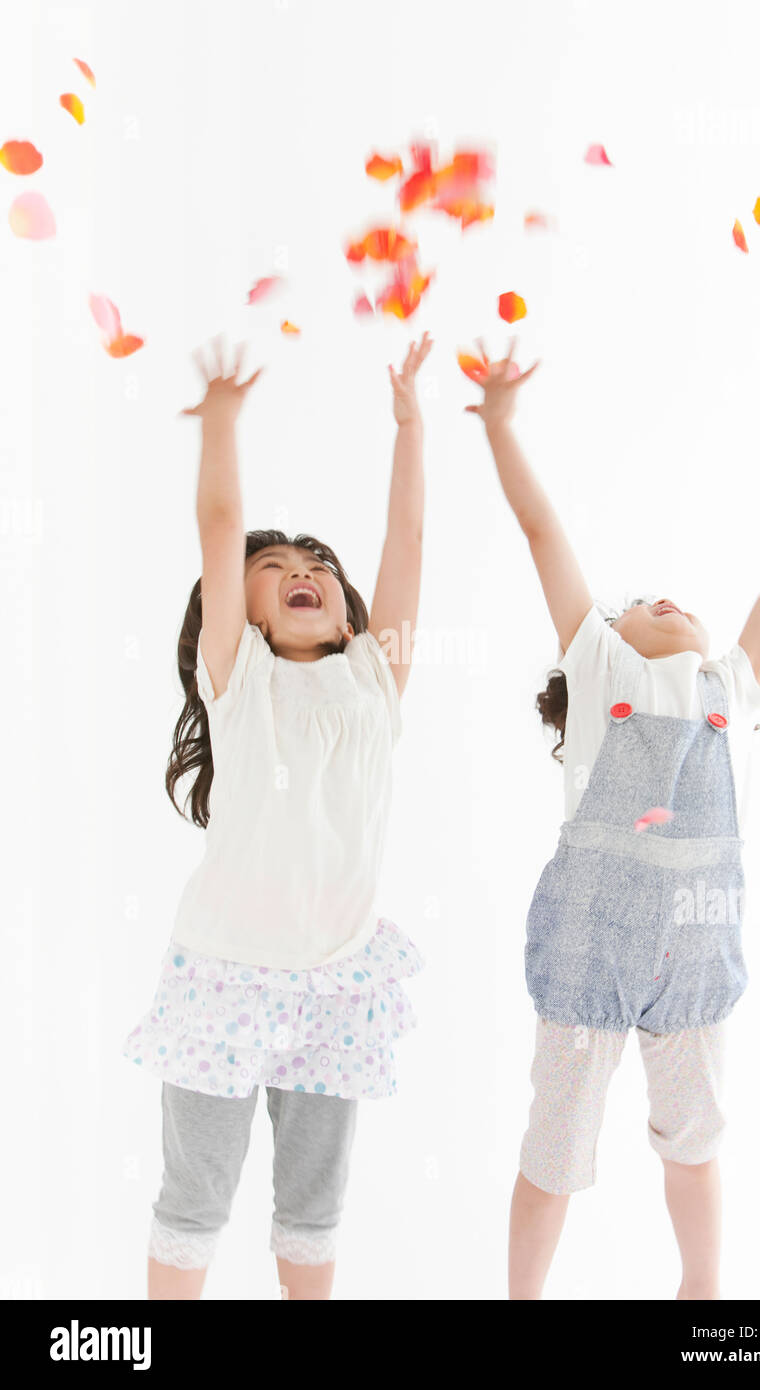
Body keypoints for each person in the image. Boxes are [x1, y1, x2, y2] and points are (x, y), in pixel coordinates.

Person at [465, 336, 760, 1300]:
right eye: (637, 602)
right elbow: (544, 536)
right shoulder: (603, 672)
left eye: (674, 599)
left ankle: (703, 1294)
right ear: (605, 636)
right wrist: (505, 431)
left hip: (695, 957)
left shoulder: (731, 686)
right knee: (555, 1151)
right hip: (590, 958)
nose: (661, 601)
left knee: (696, 1144)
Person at [123, 330, 433, 1299]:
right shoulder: (240, 680)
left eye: (315, 562)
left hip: (335, 988)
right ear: (239, 615)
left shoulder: (374, 681)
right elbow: (220, 525)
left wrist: (409, 425)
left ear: (347, 615)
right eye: (277, 565)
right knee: (194, 1198)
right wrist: (220, 417)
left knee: (311, 1202)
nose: (302, 566)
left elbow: (407, 544)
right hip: (222, 978)